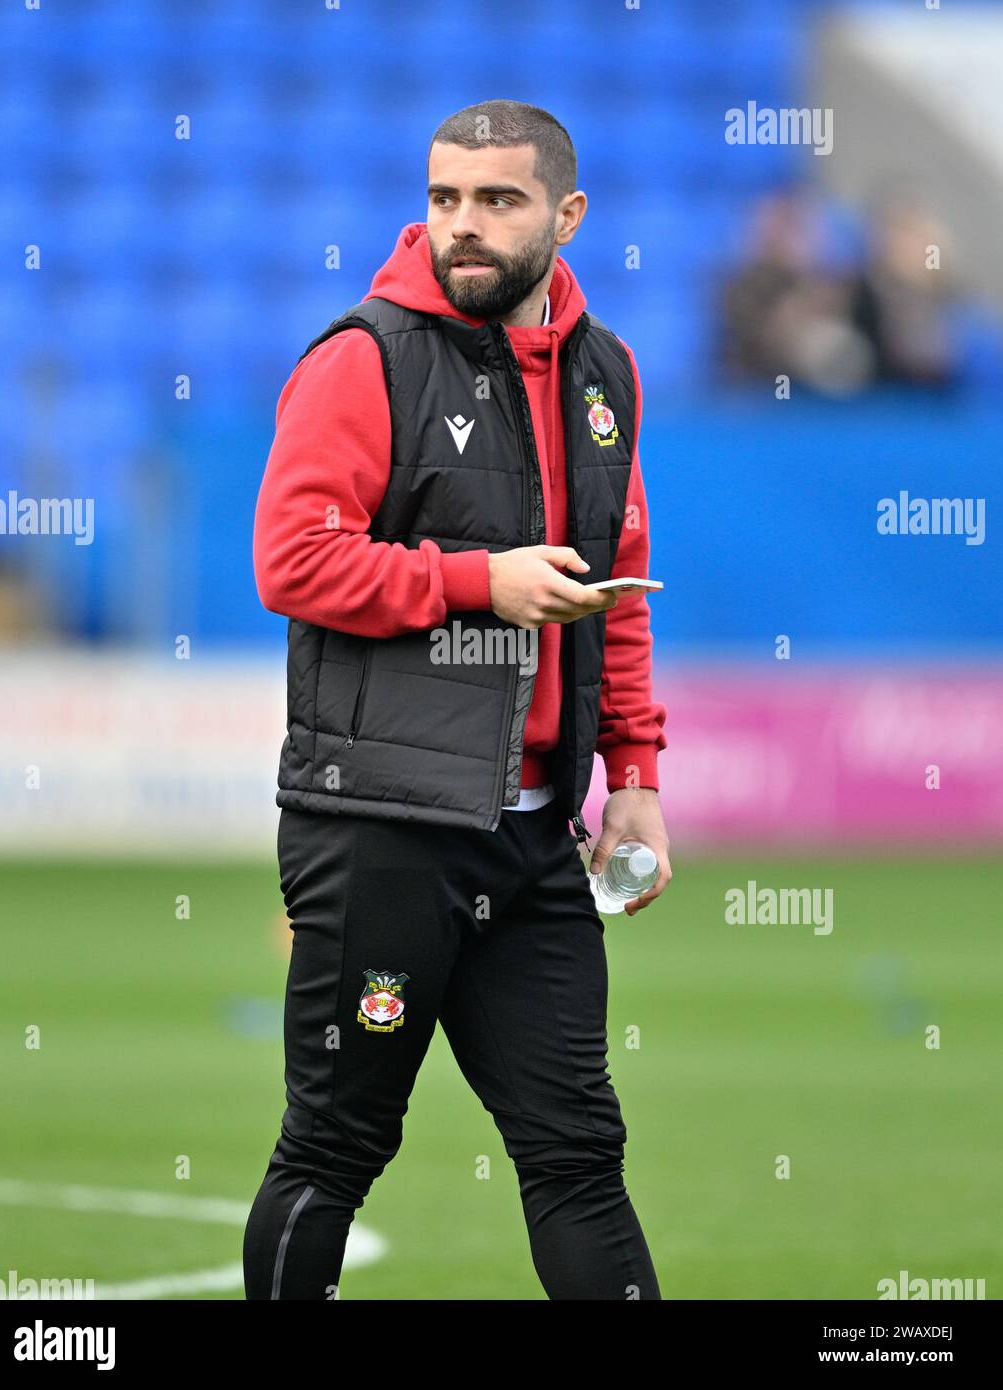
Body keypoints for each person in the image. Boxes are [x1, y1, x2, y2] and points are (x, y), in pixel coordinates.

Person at [243, 99, 671, 1301]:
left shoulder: (607, 372)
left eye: (497, 201)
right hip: (380, 823)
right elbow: (293, 562)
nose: (462, 227)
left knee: (579, 1153)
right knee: (333, 1148)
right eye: (444, 200)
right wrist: (480, 583)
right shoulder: (362, 357)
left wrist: (632, 781)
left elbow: (617, 594)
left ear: (566, 215)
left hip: (535, 837)